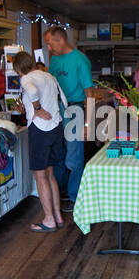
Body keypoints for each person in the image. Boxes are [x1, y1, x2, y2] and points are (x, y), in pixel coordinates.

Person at [14, 51, 66, 232]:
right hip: (56, 126)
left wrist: (37, 108)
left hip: (40, 129)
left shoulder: (26, 78)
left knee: (40, 175)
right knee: (50, 173)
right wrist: (29, 107)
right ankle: (57, 215)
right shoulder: (48, 75)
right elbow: (63, 98)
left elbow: (33, 90)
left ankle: (49, 219)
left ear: (17, 68)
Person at [45, 26, 93, 204]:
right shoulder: (54, 60)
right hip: (56, 109)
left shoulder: (80, 60)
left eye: (50, 44)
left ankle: (74, 196)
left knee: (74, 156)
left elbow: (89, 93)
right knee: (58, 154)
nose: (49, 49)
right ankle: (61, 193)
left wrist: (88, 124)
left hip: (75, 109)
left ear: (61, 40)